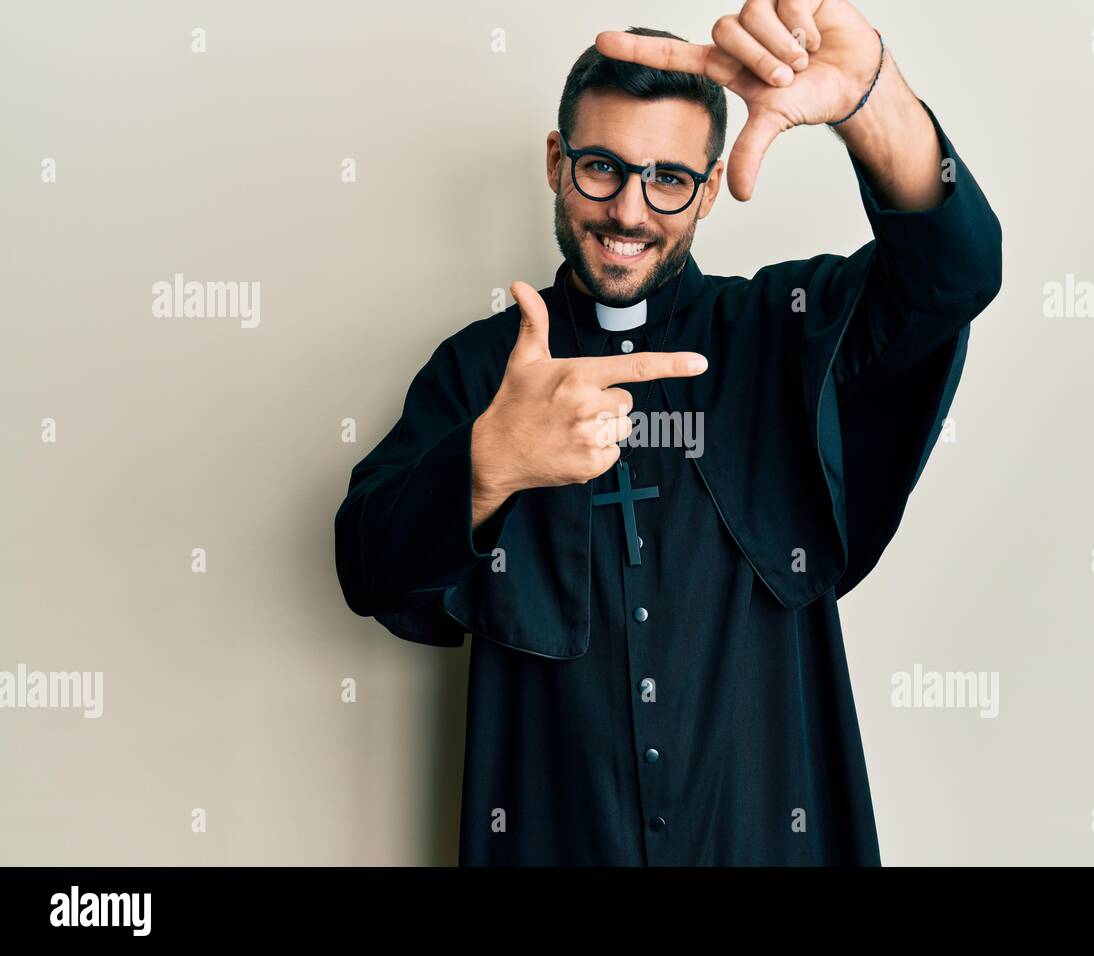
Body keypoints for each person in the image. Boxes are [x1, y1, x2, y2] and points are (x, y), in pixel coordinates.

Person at [334, 0, 1002, 865]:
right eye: (602, 168)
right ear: (555, 162)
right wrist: (489, 464)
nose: (629, 213)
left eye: (669, 179)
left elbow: (955, 275)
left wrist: (873, 98)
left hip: (769, 829)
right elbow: (362, 566)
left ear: (709, 188)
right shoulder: (478, 370)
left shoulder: (779, 330)